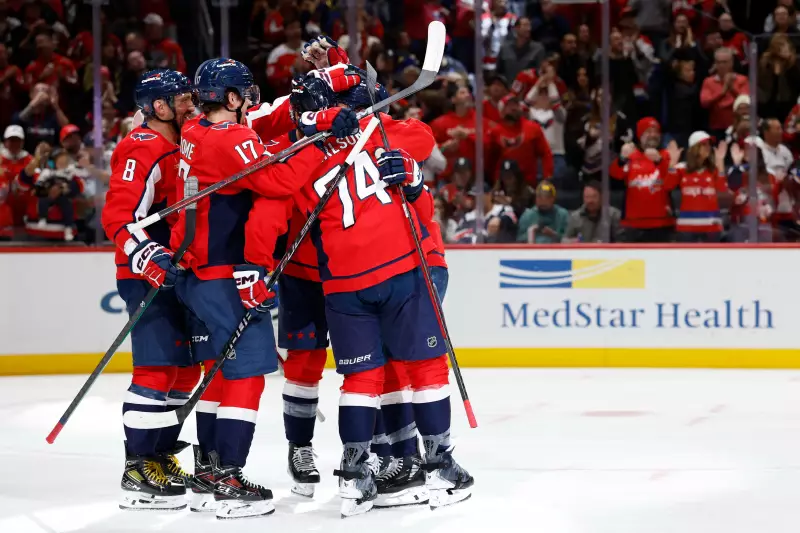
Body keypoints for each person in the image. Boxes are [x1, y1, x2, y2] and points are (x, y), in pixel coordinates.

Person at [171, 58, 356, 520]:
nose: (249, 99)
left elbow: (264, 145)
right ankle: (229, 477)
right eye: (243, 93)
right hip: (224, 274)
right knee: (246, 376)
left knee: (216, 374)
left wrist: (307, 118)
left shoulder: (194, 130)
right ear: (231, 99)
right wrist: (322, 140)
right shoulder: (231, 138)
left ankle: (208, 470)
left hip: (197, 272)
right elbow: (278, 181)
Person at [291, 70, 473, 516]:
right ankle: (438, 465)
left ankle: (355, 476)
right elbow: (422, 164)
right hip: (398, 268)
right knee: (427, 368)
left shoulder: (295, 158)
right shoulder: (379, 133)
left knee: (360, 379)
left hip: (341, 282)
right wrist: (413, 181)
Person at [100, 69, 203, 511]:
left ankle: (158, 453)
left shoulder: (181, 143)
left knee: (185, 371)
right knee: (158, 369)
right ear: (158, 107)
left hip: (174, 272)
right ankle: (138, 466)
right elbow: (117, 217)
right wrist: (148, 258)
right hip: (146, 273)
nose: (190, 105)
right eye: (181, 99)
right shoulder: (140, 147)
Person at [610, 117, 675, 242]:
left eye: (656, 132)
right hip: (633, 224)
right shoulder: (631, 155)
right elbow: (615, 175)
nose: (653, 135)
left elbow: (672, 181)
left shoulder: (666, 155)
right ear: (640, 135)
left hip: (661, 223)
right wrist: (622, 159)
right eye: (648, 132)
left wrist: (659, 161)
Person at [665, 132, 730, 242]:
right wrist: (672, 164)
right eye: (704, 144)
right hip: (687, 226)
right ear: (694, 148)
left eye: (709, 144)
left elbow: (722, 188)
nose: (708, 147)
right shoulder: (681, 168)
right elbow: (668, 186)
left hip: (711, 225)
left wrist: (720, 162)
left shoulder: (714, 169)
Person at [486, 93, 553, 185]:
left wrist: (547, 177)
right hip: (503, 184)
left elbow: (546, 153)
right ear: (501, 111)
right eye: (509, 105)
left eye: (516, 104)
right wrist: (493, 181)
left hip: (528, 184)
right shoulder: (495, 132)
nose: (514, 108)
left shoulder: (533, 128)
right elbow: (490, 159)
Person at [700, 47, 749, 139]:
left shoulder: (742, 79)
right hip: (717, 128)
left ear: (731, 63)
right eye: (719, 62)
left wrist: (732, 88)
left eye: (725, 62)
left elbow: (746, 101)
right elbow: (704, 103)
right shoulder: (708, 81)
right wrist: (722, 92)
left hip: (738, 127)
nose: (722, 65)